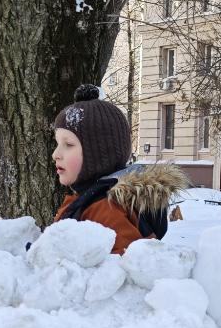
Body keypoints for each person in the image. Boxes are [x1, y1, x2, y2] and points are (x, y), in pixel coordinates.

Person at [51, 84, 187, 255]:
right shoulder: (88, 201)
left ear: (99, 152)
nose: (55, 154)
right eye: (58, 144)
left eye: (68, 144)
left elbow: (120, 273)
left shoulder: (106, 211)